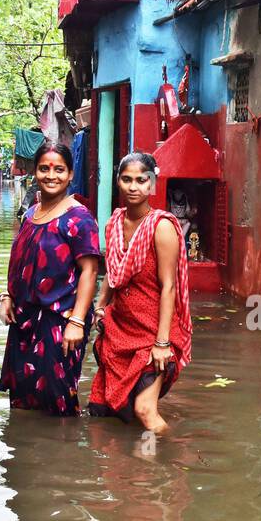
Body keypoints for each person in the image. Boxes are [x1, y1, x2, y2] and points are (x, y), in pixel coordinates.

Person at [88, 152, 192, 433]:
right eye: (127, 180)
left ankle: (177, 462)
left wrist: (162, 343)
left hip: (152, 333)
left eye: (141, 180)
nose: (134, 187)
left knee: (145, 411)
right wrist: (100, 306)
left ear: (152, 186)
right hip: (120, 329)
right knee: (105, 411)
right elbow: (113, 269)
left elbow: (169, 286)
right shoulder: (114, 224)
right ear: (118, 183)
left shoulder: (161, 227)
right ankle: (127, 470)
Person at [0, 143, 102, 416]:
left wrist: (77, 323)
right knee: (22, 399)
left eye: (59, 170)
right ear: (35, 173)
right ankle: (25, 454)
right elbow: (21, 259)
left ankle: (64, 454)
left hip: (60, 321)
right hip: (24, 320)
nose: (51, 176)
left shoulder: (79, 218)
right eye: (44, 169)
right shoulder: (31, 214)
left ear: (70, 175)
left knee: (58, 399)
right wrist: (7, 295)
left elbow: (90, 272)